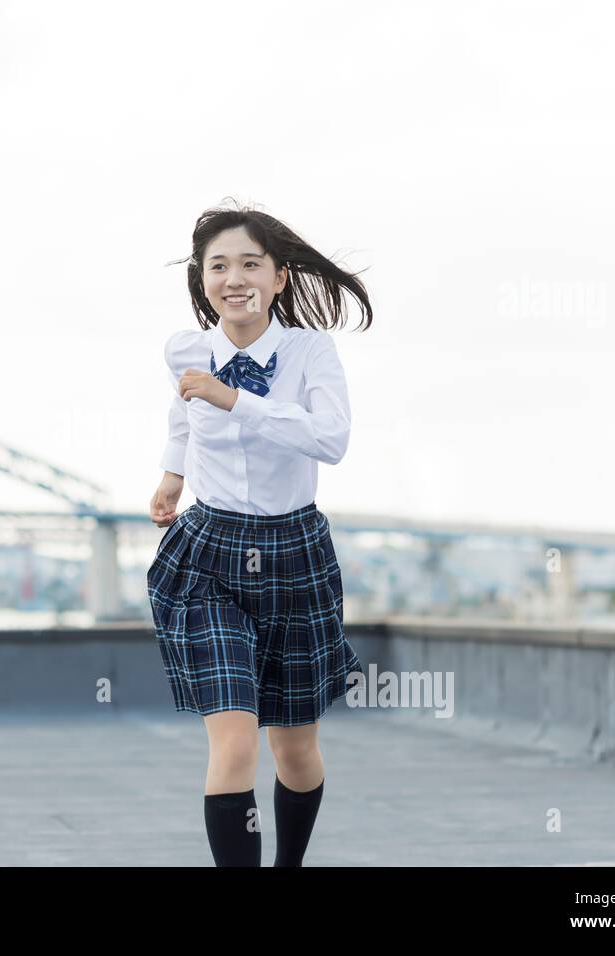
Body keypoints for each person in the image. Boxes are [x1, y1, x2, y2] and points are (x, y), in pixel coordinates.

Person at [146, 199, 371, 867]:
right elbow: (182, 417)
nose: (233, 277)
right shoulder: (185, 351)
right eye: (219, 266)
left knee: (294, 749)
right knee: (235, 741)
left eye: (251, 263)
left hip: (295, 555)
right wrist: (170, 477)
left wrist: (236, 399)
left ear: (278, 278)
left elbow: (331, 440)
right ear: (202, 278)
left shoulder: (310, 353)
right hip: (208, 557)